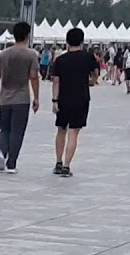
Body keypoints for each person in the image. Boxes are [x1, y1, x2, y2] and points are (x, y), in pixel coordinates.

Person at [0, 21, 40, 174]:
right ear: (27, 36)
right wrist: (36, 97)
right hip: (21, 98)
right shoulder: (31, 54)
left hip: (5, 97)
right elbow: (34, 77)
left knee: (4, 129)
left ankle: (1, 151)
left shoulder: (3, 54)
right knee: (17, 131)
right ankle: (11, 162)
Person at [50, 28, 97, 178]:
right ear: (82, 41)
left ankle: (58, 162)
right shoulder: (88, 57)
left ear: (67, 41)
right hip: (81, 98)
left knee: (61, 130)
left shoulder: (60, 60)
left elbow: (56, 81)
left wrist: (55, 100)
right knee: (73, 132)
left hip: (63, 98)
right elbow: (95, 73)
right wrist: (92, 81)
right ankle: (66, 166)